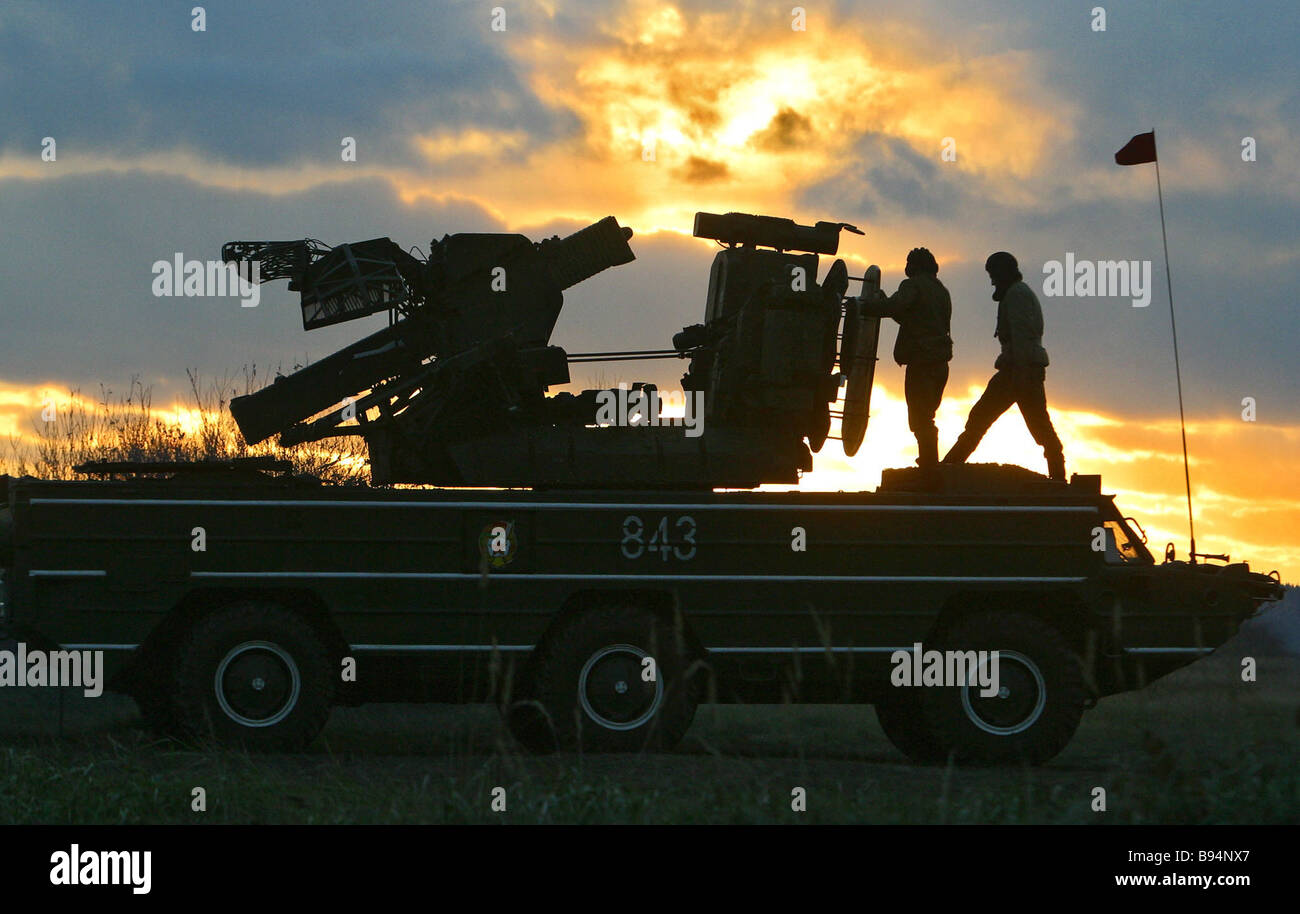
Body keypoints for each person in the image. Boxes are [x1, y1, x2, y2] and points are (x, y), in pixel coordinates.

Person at [942, 251, 1066, 481]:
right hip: (1021, 369)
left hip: (1019, 370)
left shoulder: (1017, 295)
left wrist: (1020, 377)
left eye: (994, 275)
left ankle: (946, 470)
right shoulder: (1016, 293)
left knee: (989, 420)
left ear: (1003, 273)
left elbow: (1021, 337)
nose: (992, 282)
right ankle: (948, 467)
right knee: (990, 419)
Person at [861, 247, 953, 472]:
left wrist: (864, 306)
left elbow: (897, 307)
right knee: (926, 416)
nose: (906, 267)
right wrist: (885, 304)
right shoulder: (941, 290)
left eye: (909, 262)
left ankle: (929, 468)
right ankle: (929, 463)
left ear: (915, 266)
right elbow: (914, 318)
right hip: (940, 363)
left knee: (920, 418)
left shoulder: (912, 285)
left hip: (922, 361)